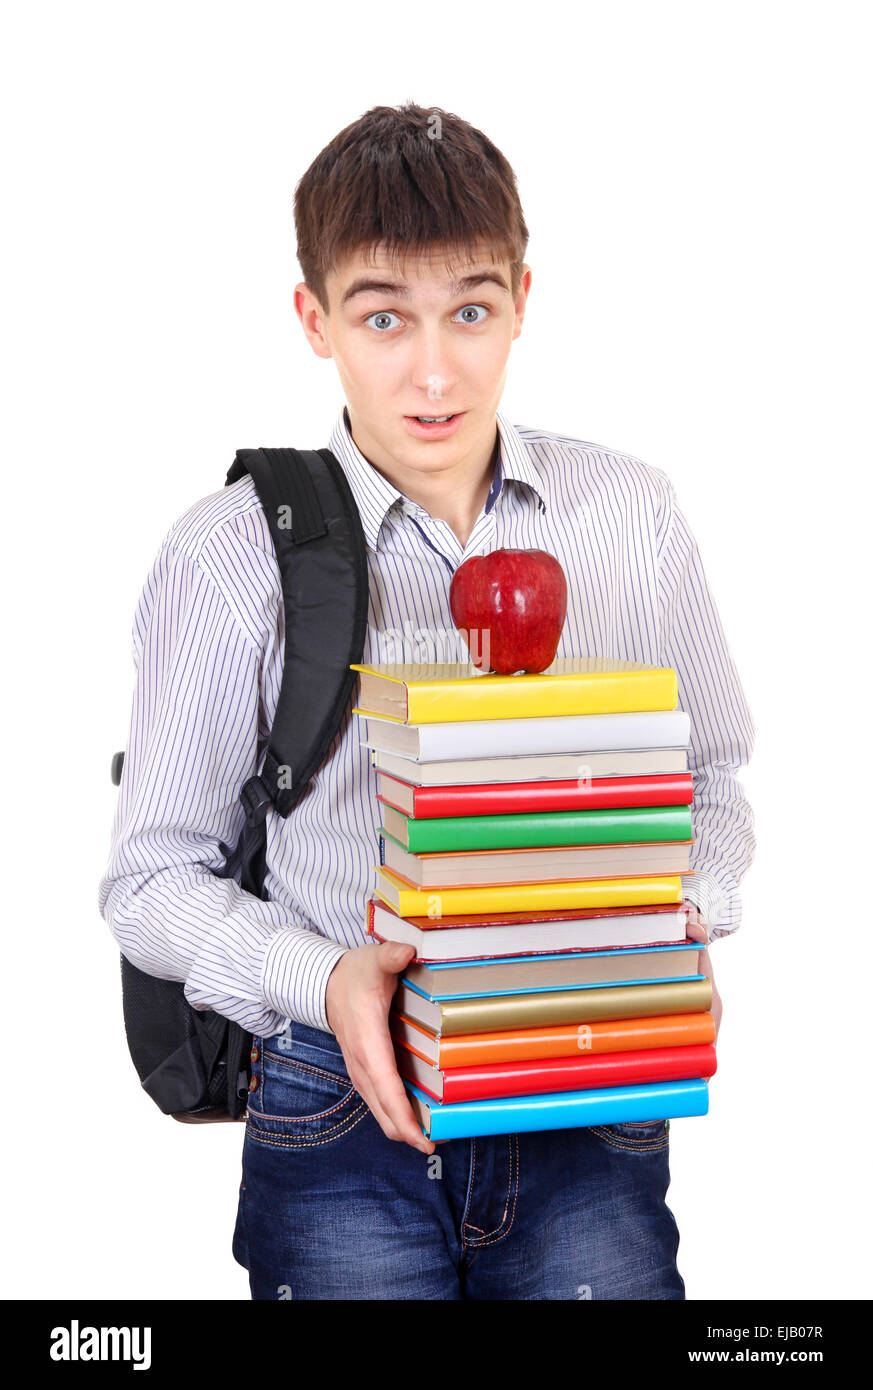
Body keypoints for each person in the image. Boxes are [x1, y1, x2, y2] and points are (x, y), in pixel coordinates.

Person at [98, 102, 755, 1300]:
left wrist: (680, 915)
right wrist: (326, 978)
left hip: (583, 1079)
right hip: (338, 1101)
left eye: (471, 308)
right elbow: (149, 881)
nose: (436, 368)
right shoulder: (230, 554)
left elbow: (711, 770)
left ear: (521, 301)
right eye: (383, 316)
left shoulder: (631, 514)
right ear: (315, 319)